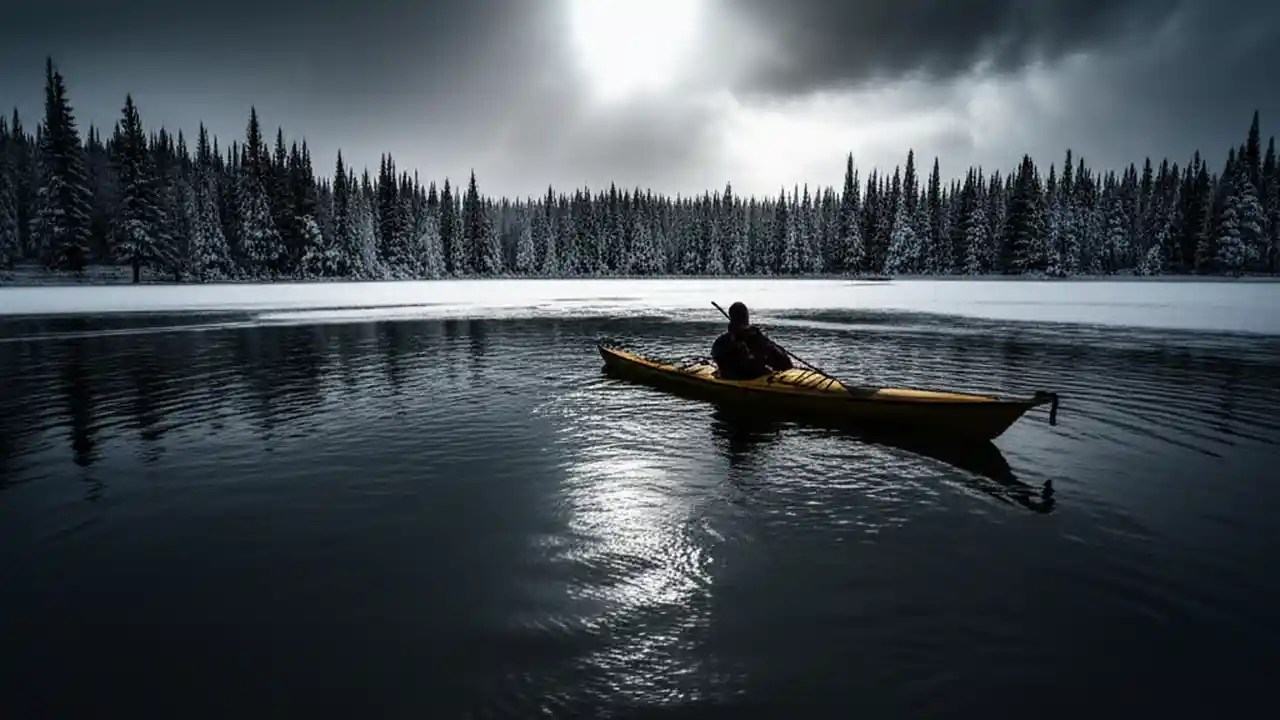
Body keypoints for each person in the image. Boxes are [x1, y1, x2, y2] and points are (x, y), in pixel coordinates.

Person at [711, 302, 794, 380]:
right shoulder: (724, 342)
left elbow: (784, 361)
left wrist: (757, 337)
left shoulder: (755, 336)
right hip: (743, 376)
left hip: (758, 372)